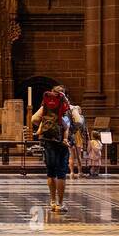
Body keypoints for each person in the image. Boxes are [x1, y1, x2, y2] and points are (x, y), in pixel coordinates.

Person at [29, 84, 72, 212]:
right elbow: (78, 122)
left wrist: (44, 125)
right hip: (62, 144)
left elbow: (33, 119)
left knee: (51, 172)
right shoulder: (67, 105)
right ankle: (60, 203)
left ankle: (52, 201)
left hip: (48, 141)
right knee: (61, 174)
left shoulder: (46, 106)